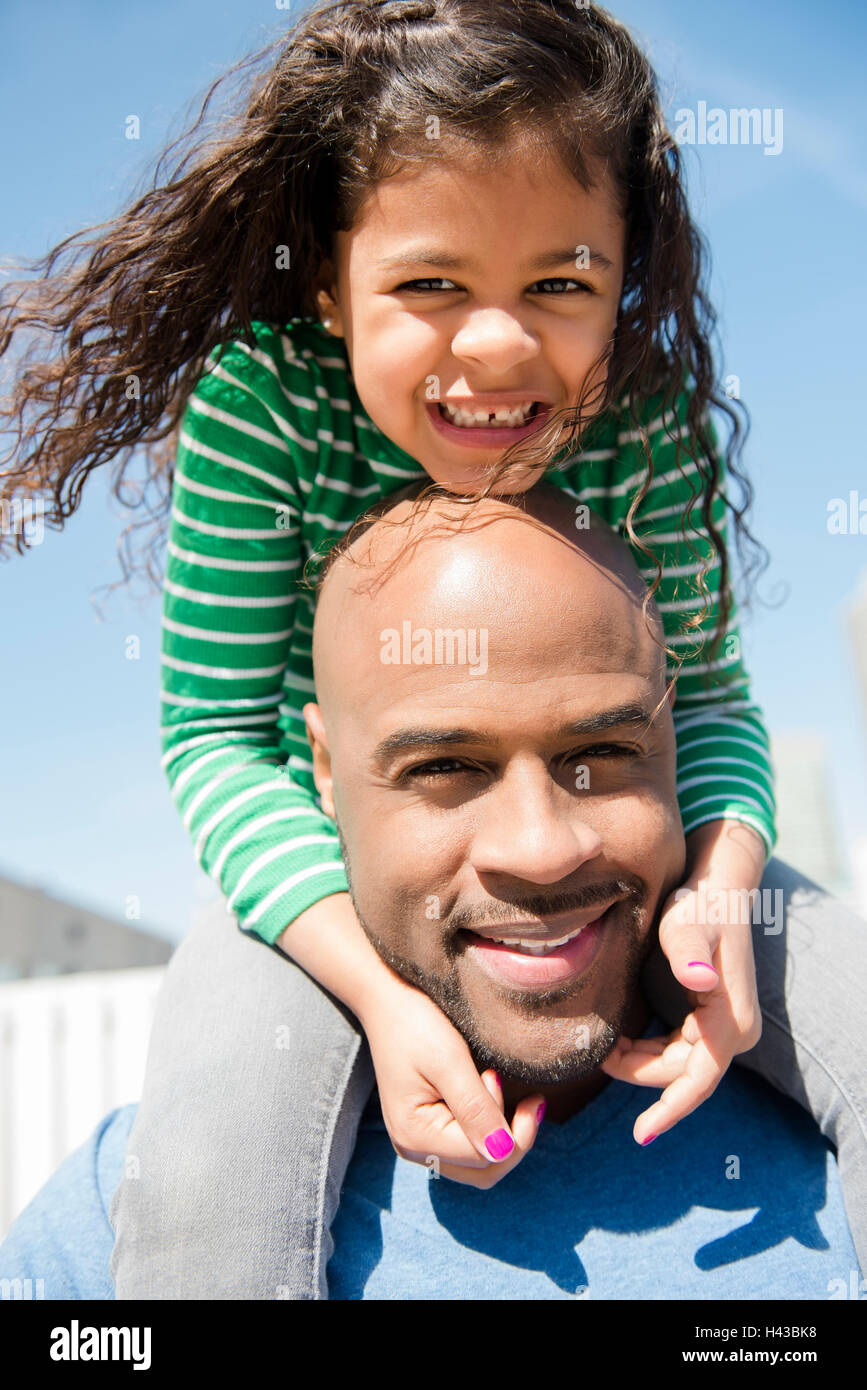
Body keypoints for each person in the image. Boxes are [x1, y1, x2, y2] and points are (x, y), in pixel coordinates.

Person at [1, 0, 865, 1298]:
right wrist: (376, 990)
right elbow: (217, 737)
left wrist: (716, 880)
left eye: (558, 285)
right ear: (333, 287)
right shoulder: (266, 408)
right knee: (209, 1167)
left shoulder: (638, 419)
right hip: (316, 872)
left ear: (621, 275)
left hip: (668, 843)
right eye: (429, 285)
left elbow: (717, 705)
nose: (499, 343)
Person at [0, 485, 860, 1300]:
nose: (541, 847)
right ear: (325, 775)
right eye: (444, 766)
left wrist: (724, 876)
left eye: (605, 752)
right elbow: (209, 735)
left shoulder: (837, 1174)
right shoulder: (130, 1226)